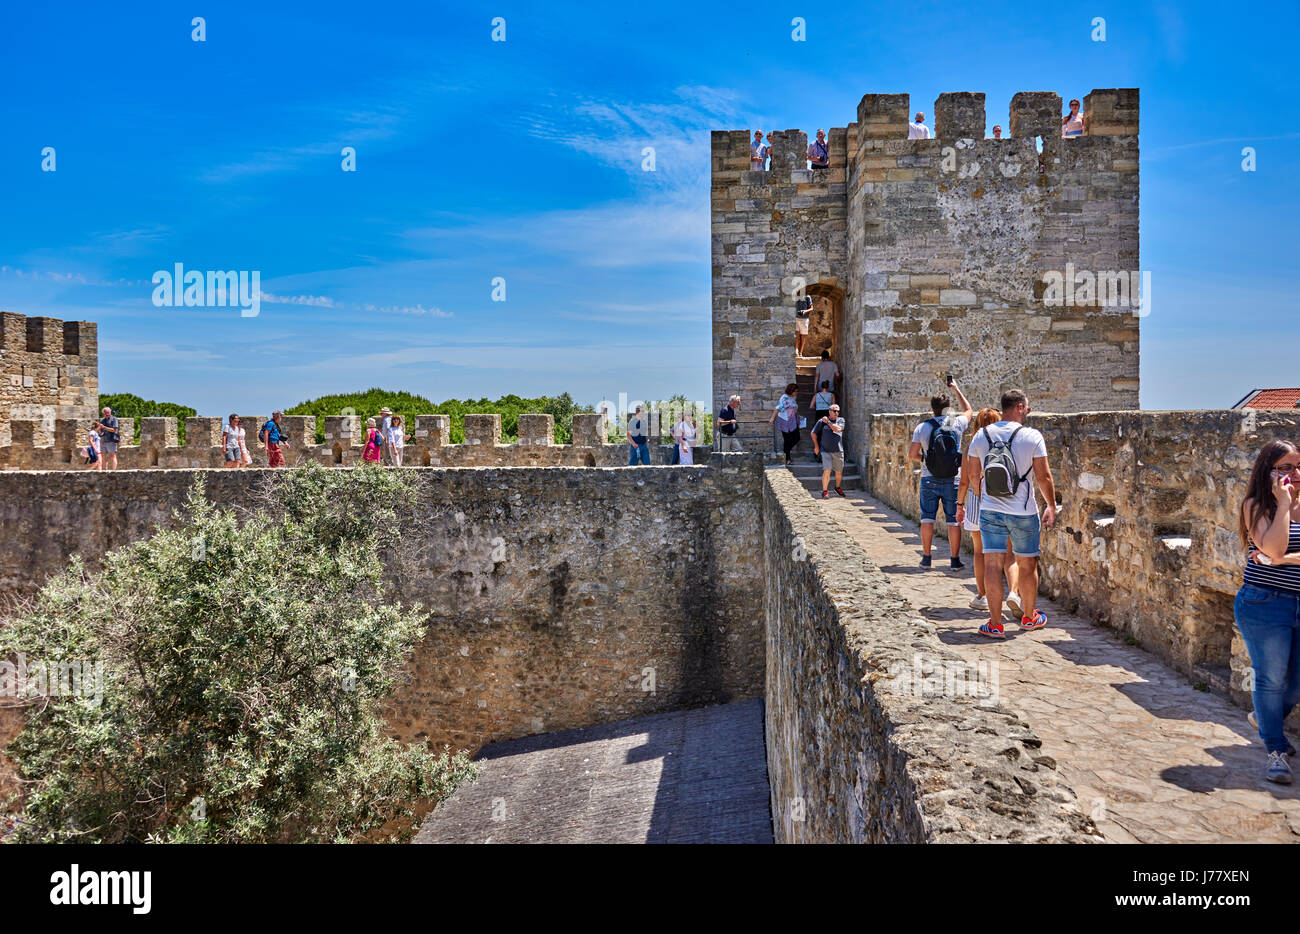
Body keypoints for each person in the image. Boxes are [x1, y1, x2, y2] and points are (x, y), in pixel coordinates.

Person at [964, 389, 1058, 638]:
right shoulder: (1032, 436)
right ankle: (1029, 618)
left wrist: (981, 493)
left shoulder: (981, 435)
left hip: (990, 510)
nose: (1027, 411)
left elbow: (973, 474)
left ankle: (995, 624)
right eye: (1026, 407)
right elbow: (1044, 477)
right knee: (1027, 564)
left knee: (993, 565)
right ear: (1018, 407)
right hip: (1024, 512)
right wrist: (1051, 505)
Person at [1235, 440, 1300, 784]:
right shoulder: (1256, 505)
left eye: (1297, 467)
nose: (1294, 474)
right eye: (1285, 467)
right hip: (1264, 602)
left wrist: (1282, 559)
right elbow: (1273, 545)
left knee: (1296, 685)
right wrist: (1285, 505)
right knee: (1271, 680)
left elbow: (1276, 555)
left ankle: (1265, 717)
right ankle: (1275, 749)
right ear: (1269, 471)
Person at [957, 408, 1019, 611]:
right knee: (1009, 553)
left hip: (978, 500)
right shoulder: (1008, 444)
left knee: (979, 552)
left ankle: (983, 596)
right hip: (1004, 500)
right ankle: (1013, 593)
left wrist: (960, 505)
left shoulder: (972, 446)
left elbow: (965, 482)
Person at [908, 380, 973, 570]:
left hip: (929, 478)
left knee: (927, 518)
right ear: (948, 409)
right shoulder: (957, 423)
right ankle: (954, 561)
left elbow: (912, 455)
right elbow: (969, 410)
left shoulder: (923, 427)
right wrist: (956, 388)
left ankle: (927, 559)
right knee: (953, 521)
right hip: (953, 479)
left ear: (933, 408)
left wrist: (926, 460)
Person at [812, 404, 846, 498]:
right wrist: (816, 446)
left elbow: (838, 429)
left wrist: (828, 422)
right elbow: (813, 433)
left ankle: (837, 487)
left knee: (839, 471)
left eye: (838, 411)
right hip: (825, 450)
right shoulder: (821, 422)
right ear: (829, 411)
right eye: (834, 411)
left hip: (838, 450)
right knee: (827, 469)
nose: (836, 413)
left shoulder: (841, 420)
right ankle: (825, 491)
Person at [770, 383, 801, 465]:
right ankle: (787, 458)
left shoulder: (792, 398)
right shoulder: (784, 398)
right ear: (791, 390)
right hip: (785, 421)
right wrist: (772, 418)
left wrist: (798, 415)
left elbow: (793, 409)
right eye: (796, 391)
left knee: (797, 438)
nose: (797, 392)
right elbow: (778, 408)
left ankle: (785, 452)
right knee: (787, 440)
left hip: (793, 421)